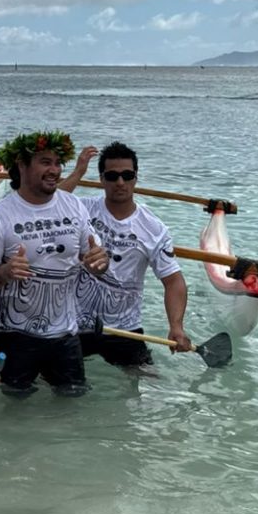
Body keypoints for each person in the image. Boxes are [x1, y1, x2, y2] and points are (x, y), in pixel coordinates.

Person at [0, 131, 109, 398]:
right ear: (21, 166)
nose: (55, 170)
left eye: (58, 163)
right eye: (45, 162)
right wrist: (3, 272)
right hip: (14, 336)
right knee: (16, 410)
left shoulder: (74, 206)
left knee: (73, 406)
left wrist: (100, 263)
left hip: (66, 335)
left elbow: (94, 258)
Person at [64, 141, 193, 370]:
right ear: (101, 179)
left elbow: (173, 281)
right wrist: (78, 172)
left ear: (136, 177)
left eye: (127, 175)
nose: (120, 182)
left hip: (124, 328)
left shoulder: (154, 228)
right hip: (74, 324)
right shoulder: (82, 210)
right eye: (112, 176)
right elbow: (48, 203)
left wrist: (176, 326)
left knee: (149, 386)